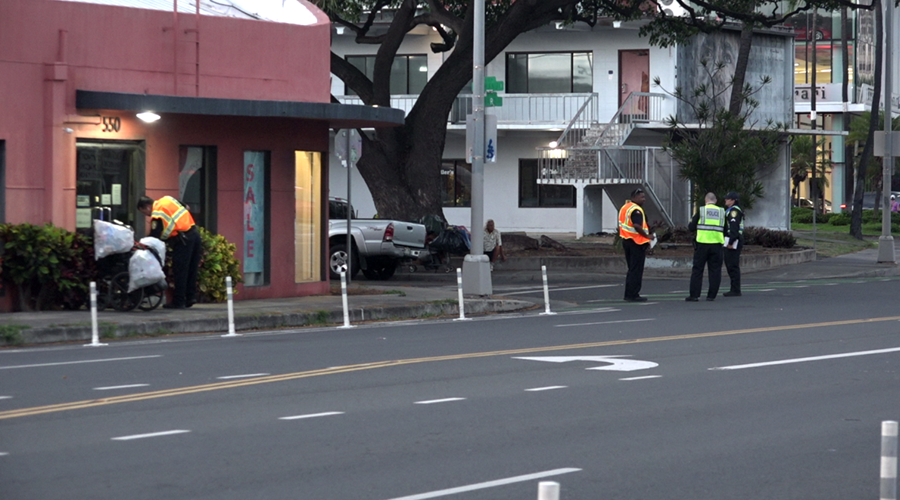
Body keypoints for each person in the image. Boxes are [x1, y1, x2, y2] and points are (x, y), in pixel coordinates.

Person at [137, 195, 201, 309]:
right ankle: (190, 297)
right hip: (194, 234)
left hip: (182, 240)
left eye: (145, 213)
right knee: (191, 269)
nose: (148, 216)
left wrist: (143, 245)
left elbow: (155, 236)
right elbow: (186, 206)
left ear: (147, 207)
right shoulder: (167, 199)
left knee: (180, 270)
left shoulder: (157, 213)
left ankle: (179, 301)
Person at [686, 192, 726, 302]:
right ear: (716, 201)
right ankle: (711, 295)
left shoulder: (701, 211)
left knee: (698, 270)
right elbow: (726, 229)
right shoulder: (721, 212)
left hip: (702, 244)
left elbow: (691, 227)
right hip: (717, 245)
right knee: (715, 270)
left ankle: (694, 295)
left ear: (705, 200)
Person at [618, 188, 655, 302]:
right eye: (642, 197)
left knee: (632, 269)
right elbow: (637, 226)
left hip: (626, 240)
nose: (644, 199)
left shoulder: (625, 207)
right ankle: (633, 294)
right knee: (636, 270)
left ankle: (629, 293)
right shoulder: (636, 210)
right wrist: (647, 236)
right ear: (634, 197)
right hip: (636, 242)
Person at [722, 191, 744, 297]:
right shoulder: (732, 210)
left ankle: (735, 289)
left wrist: (731, 242)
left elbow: (734, 228)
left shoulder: (733, 212)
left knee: (732, 265)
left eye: (727, 199)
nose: (725, 200)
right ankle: (734, 288)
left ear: (733, 200)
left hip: (734, 240)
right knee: (731, 264)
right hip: (734, 239)